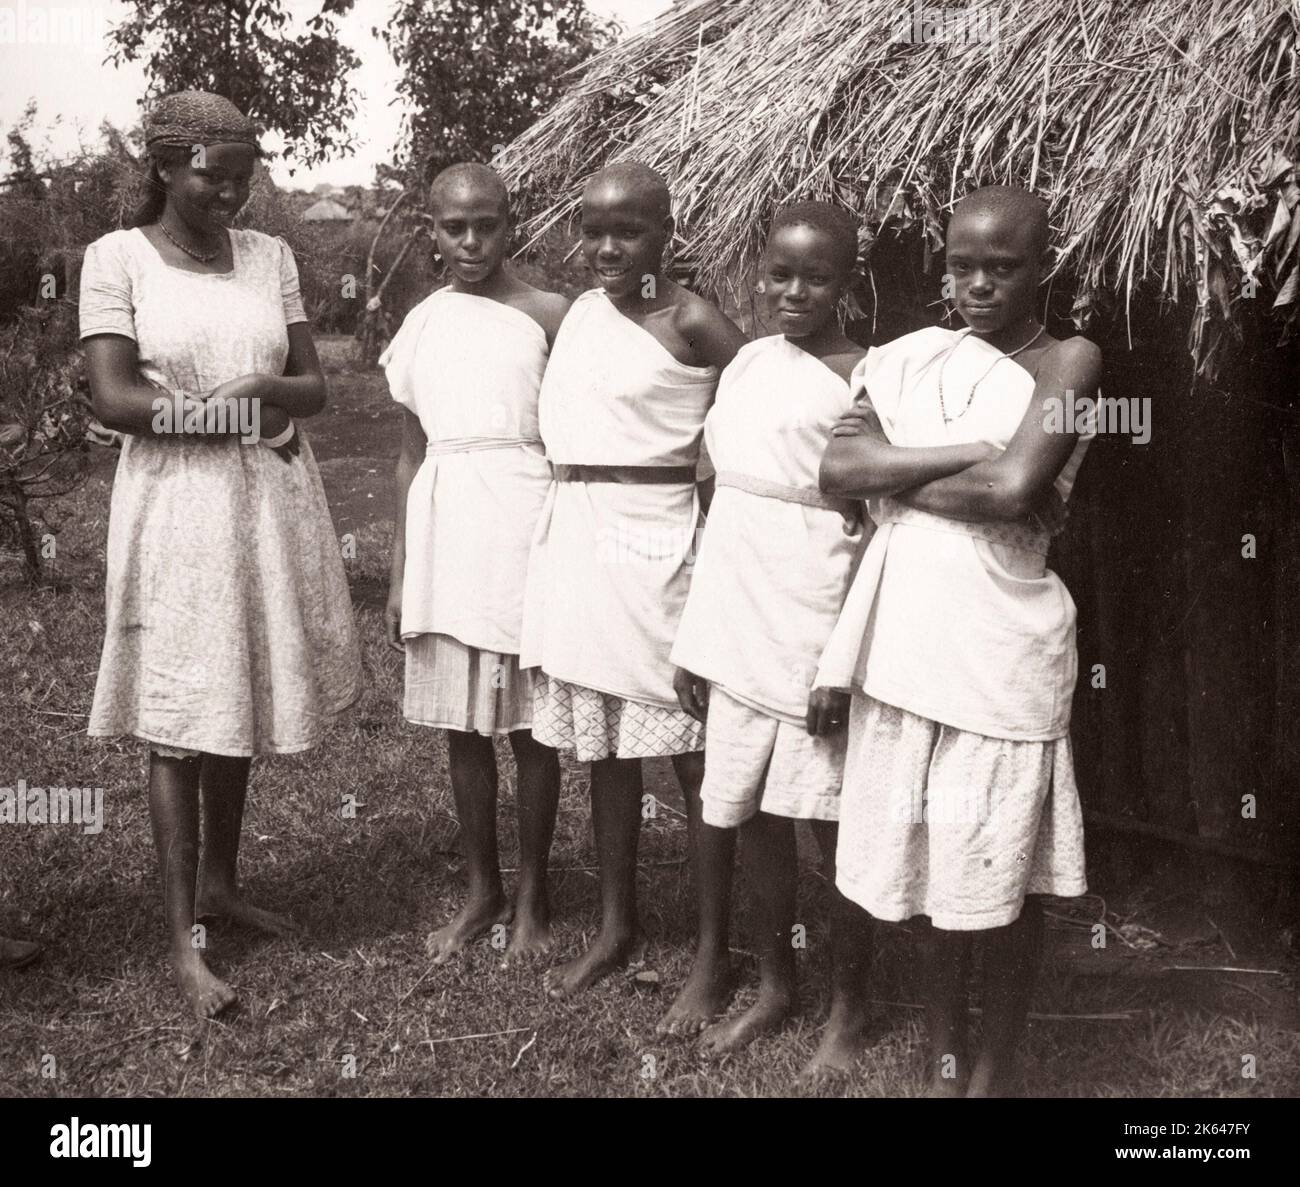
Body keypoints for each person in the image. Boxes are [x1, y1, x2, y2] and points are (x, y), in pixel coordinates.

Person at [79, 91, 361, 1018]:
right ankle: (181, 941)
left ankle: (222, 884)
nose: (229, 195)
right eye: (211, 176)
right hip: (176, 504)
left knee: (234, 681)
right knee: (178, 702)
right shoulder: (115, 259)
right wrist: (242, 409)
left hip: (265, 496)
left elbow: (313, 385)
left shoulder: (270, 257)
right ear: (163, 166)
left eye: (242, 179)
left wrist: (262, 386)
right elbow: (115, 398)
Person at [817, 184, 1098, 1095]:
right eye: (962, 265)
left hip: (1001, 642)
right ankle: (945, 1049)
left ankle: (996, 1062)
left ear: (1041, 267)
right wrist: (962, 453)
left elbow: (1014, 490)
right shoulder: (906, 361)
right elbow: (836, 470)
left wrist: (892, 475)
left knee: (998, 867)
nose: (978, 285)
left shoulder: (1069, 363)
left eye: (1001, 267)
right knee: (936, 867)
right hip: (907, 640)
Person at [520, 162, 747, 998]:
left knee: (690, 752)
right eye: (592, 229)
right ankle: (619, 924)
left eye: (628, 230)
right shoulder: (580, 314)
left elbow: (769, 398)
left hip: (657, 547)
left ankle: (712, 954)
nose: (607, 247)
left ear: (666, 233)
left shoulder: (692, 320)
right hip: (578, 540)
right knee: (606, 747)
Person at [664, 203, 876, 1075]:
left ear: (847, 282)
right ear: (758, 272)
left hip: (813, 615)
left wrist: (842, 659)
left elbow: (875, 527)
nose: (794, 292)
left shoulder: (864, 377)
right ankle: (775, 981)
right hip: (737, 612)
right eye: (779, 274)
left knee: (827, 827)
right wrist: (695, 640)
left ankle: (850, 1006)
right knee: (748, 810)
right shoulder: (748, 363)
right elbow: (722, 505)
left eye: (816, 277)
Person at [381, 163, 569, 966]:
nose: (470, 242)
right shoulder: (423, 322)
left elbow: (573, 435)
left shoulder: (550, 314)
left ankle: (531, 893)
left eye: (485, 225)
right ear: (431, 230)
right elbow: (408, 451)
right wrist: (398, 568)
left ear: (509, 223)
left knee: (528, 724)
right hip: (447, 524)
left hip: (527, 515)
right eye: (453, 227)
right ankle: (482, 886)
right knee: (464, 724)